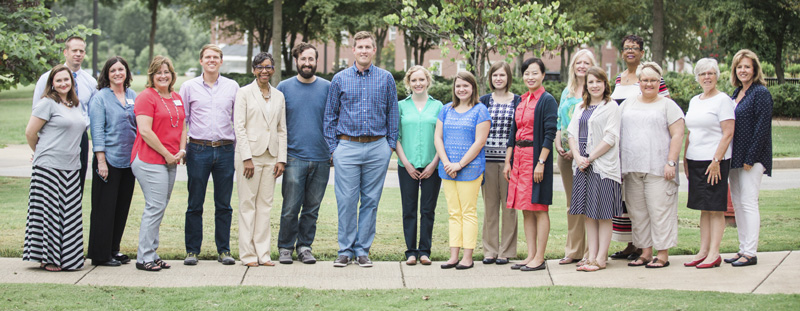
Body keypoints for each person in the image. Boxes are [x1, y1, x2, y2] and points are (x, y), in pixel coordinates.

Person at [324, 31, 398, 268]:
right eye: (360, 47)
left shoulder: (386, 78)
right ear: (353, 50)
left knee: (371, 201)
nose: (364, 50)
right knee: (346, 200)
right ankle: (345, 250)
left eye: (368, 46)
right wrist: (334, 149)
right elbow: (329, 116)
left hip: (378, 147)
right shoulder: (340, 79)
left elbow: (392, 114)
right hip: (347, 146)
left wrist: (389, 146)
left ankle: (363, 250)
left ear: (374, 50)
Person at [608, 35, 670, 260]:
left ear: (643, 52)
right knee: (628, 198)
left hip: (647, 145)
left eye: (635, 48)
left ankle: (644, 246)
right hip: (622, 145)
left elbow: (665, 109)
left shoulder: (650, 77)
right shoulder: (618, 78)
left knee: (646, 200)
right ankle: (631, 244)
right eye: (626, 48)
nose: (630, 51)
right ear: (622, 53)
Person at [179, 44, 239, 266]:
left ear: (221, 61)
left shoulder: (232, 87)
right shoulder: (188, 87)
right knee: (195, 202)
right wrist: (183, 147)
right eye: (208, 57)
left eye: (216, 57)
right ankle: (192, 250)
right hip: (198, 149)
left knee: (224, 204)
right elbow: (182, 120)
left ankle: (223, 250)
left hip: (225, 149)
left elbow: (238, 120)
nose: (212, 60)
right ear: (201, 61)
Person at [619, 62, 684, 269]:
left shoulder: (668, 105)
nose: (649, 84)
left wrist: (671, 162)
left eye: (653, 80)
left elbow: (678, 134)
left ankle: (662, 254)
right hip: (631, 168)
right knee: (638, 213)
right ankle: (645, 252)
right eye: (645, 80)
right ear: (639, 82)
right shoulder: (627, 104)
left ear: (659, 82)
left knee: (660, 211)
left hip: (659, 169)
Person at [23, 65, 86, 272]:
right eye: (58, 81)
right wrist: (40, 152)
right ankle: (48, 258)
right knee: (49, 214)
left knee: (68, 214)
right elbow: (30, 133)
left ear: (72, 82)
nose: (63, 84)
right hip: (49, 166)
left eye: (66, 80)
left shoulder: (75, 104)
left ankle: (69, 258)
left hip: (71, 166)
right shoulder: (46, 104)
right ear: (52, 83)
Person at [276, 43, 331, 265]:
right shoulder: (283, 87)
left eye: (311, 59)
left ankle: (305, 246)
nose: (307, 63)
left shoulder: (328, 87)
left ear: (316, 61)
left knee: (312, 208)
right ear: (296, 61)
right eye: (303, 59)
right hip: (293, 157)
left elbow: (334, 120)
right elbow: (277, 123)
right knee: (290, 207)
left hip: (321, 157)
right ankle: (285, 247)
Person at [131, 56, 187, 272]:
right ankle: (143, 256)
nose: (163, 76)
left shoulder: (176, 97)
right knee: (154, 207)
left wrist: (181, 150)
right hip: (149, 159)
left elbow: (182, 126)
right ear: (151, 76)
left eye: (167, 72)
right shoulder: (146, 97)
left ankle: (152, 254)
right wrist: (166, 154)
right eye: (158, 73)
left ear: (172, 75)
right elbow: (145, 131)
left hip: (170, 160)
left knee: (159, 207)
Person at [504, 58, 558, 272]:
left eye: (535, 73)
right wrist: (508, 161)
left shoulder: (547, 100)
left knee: (539, 207)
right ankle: (531, 255)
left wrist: (541, 162)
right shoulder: (522, 99)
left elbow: (550, 133)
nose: (530, 77)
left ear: (543, 75)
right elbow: (512, 132)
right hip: (518, 158)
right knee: (525, 209)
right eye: (526, 73)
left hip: (536, 158)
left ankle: (540, 257)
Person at [233, 52, 287, 267]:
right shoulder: (244, 93)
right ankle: (247, 255)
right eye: (259, 67)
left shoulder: (279, 96)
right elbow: (239, 126)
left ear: (273, 69)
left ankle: (263, 254)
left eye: (268, 66)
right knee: (248, 205)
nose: (264, 70)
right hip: (250, 157)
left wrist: (281, 159)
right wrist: (246, 157)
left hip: (271, 156)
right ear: (253, 70)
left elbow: (282, 129)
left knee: (265, 206)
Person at [567, 67, 623, 272]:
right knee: (589, 214)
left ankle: (600, 258)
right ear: (586, 85)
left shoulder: (611, 107)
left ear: (605, 84)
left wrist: (589, 158)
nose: (595, 85)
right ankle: (590, 255)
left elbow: (610, 137)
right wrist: (577, 156)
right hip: (582, 167)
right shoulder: (582, 107)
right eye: (591, 82)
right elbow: (571, 133)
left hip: (602, 167)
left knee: (603, 214)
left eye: (599, 81)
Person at [682, 58, 735, 269]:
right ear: (697, 77)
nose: (707, 77)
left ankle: (714, 253)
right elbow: (691, 132)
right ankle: (703, 251)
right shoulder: (695, 100)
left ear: (717, 76)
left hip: (715, 161)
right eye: (703, 74)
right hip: (695, 159)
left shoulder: (723, 100)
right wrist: (685, 159)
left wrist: (716, 161)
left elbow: (728, 133)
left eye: (711, 73)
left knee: (715, 207)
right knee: (703, 208)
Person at [435, 71, 491, 270]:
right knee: (453, 213)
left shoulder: (480, 110)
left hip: (470, 169)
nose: (461, 89)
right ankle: (453, 256)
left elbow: (479, 142)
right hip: (447, 168)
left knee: (468, 212)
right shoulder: (446, 109)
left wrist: (460, 164)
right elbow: (438, 138)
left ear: (473, 88)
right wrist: (447, 162)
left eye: (465, 86)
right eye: (458, 86)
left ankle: (468, 257)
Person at [87, 57, 137, 267]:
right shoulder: (100, 98)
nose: (118, 73)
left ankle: (113, 249)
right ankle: (100, 254)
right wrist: (101, 161)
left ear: (126, 72)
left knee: (121, 207)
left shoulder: (132, 95)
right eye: (113, 70)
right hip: (108, 161)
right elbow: (97, 130)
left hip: (129, 162)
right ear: (107, 74)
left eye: (121, 69)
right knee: (104, 208)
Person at [725, 49, 773, 267]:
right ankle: (742, 249)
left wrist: (750, 158)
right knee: (737, 203)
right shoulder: (736, 94)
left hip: (752, 159)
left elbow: (762, 129)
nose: (743, 70)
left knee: (749, 202)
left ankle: (751, 252)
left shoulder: (760, 93)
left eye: (747, 66)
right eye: (739, 66)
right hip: (734, 158)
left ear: (754, 69)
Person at [32, 36, 97, 197]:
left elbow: (92, 114)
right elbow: (36, 113)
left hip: (79, 138)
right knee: (51, 192)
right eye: (74, 50)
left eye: (81, 51)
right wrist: (39, 149)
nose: (78, 54)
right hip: (54, 137)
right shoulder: (46, 79)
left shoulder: (90, 82)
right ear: (65, 52)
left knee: (75, 188)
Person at [396, 66, 443, 266]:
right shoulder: (401, 106)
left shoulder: (439, 106)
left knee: (427, 209)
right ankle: (411, 252)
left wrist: (434, 164)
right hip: (407, 165)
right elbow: (395, 137)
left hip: (432, 165)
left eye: (421, 79)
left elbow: (442, 137)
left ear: (428, 81)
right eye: (414, 80)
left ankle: (424, 251)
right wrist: (406, 163)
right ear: (408, 82)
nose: (418, 83)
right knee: (409, 209)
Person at [555, 49, 595, 266]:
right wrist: (557, 144)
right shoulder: (567, 91)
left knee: (589, 203)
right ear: (573, 66)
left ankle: (591, 251)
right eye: (578, 62)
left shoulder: (596, 90)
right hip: (565, 156)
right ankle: (573, 250)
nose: (582, 66)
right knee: (572, 204)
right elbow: (561, 122)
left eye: (586, 62)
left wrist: (576, 150)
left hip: (587, 155)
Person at [478, 61, 520, 266]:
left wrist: (510, 161)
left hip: (509, 162)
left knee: (509, 206)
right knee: (490, 207)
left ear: (508, 77)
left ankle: (507, 250)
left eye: (502, 75)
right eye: (495, 75)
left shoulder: (518, 101)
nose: (498, 79)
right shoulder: (484, 101)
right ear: (490, 78)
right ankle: (490, 250)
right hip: (486, 161)